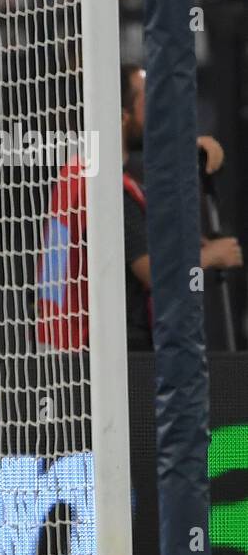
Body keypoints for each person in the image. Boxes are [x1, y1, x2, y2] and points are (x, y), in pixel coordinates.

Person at [37, 65, 242, 350]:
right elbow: (157, 278)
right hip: (111, 354)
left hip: (72, 346)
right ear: (122, 116)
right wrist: (211, 257)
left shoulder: (78, 174)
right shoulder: (108, 190)